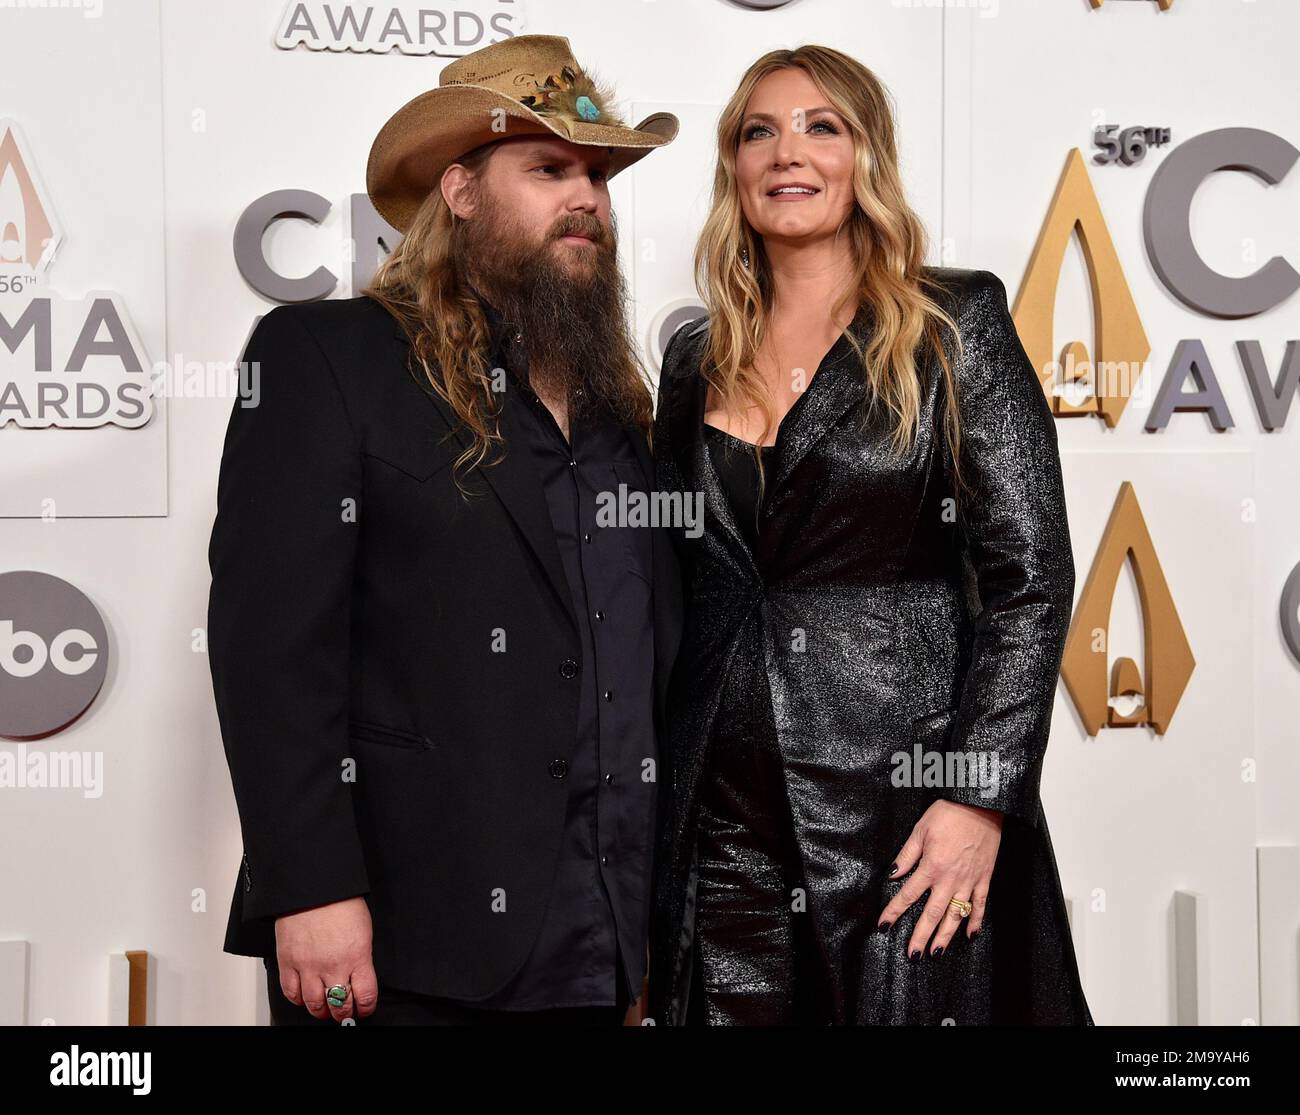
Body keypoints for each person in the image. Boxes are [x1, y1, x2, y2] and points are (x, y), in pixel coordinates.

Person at [206, 34, 682, 1025]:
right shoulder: (328, 358)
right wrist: (309, 886)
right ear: (460, 191)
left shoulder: (625, 411)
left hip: (606, 938)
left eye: (596, 174)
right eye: (547, 168)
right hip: (402, 939)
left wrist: (647, 922)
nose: (584, 196)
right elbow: (269, 649)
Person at [647, 45, 1093, 1025]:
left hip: (904, 804)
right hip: (721, 819)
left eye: (820, 126)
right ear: (731, 166)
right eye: (757, 131)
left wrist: (978, 797)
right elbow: (675, 582)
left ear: (866, 158)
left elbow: (1029, 575)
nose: (785, 152)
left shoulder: (951, 321)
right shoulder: (692, 356)